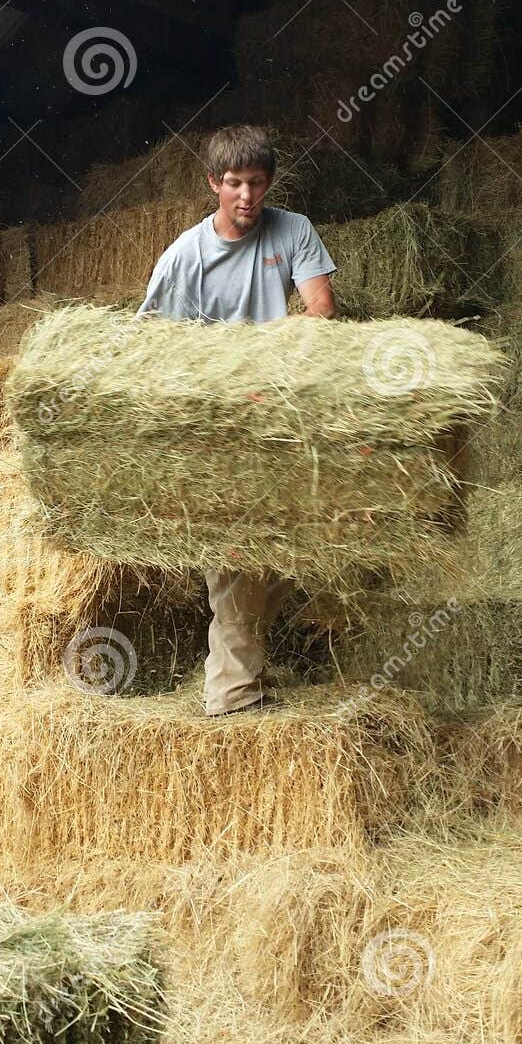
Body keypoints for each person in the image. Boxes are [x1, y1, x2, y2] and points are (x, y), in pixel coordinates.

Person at [136, 125, 338, 718]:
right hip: (220, 427)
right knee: (237, 557)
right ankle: (231, 700)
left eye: (255, 183)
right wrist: (221, 387)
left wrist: (268, 371)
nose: (246, 196)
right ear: (212, 185)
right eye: (233, 184)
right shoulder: (186, 257)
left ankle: (245, 673)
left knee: (304, 548)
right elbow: (152, 342)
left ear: (269, 183)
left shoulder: (293, 229)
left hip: (287, 411)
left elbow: (321, 309)